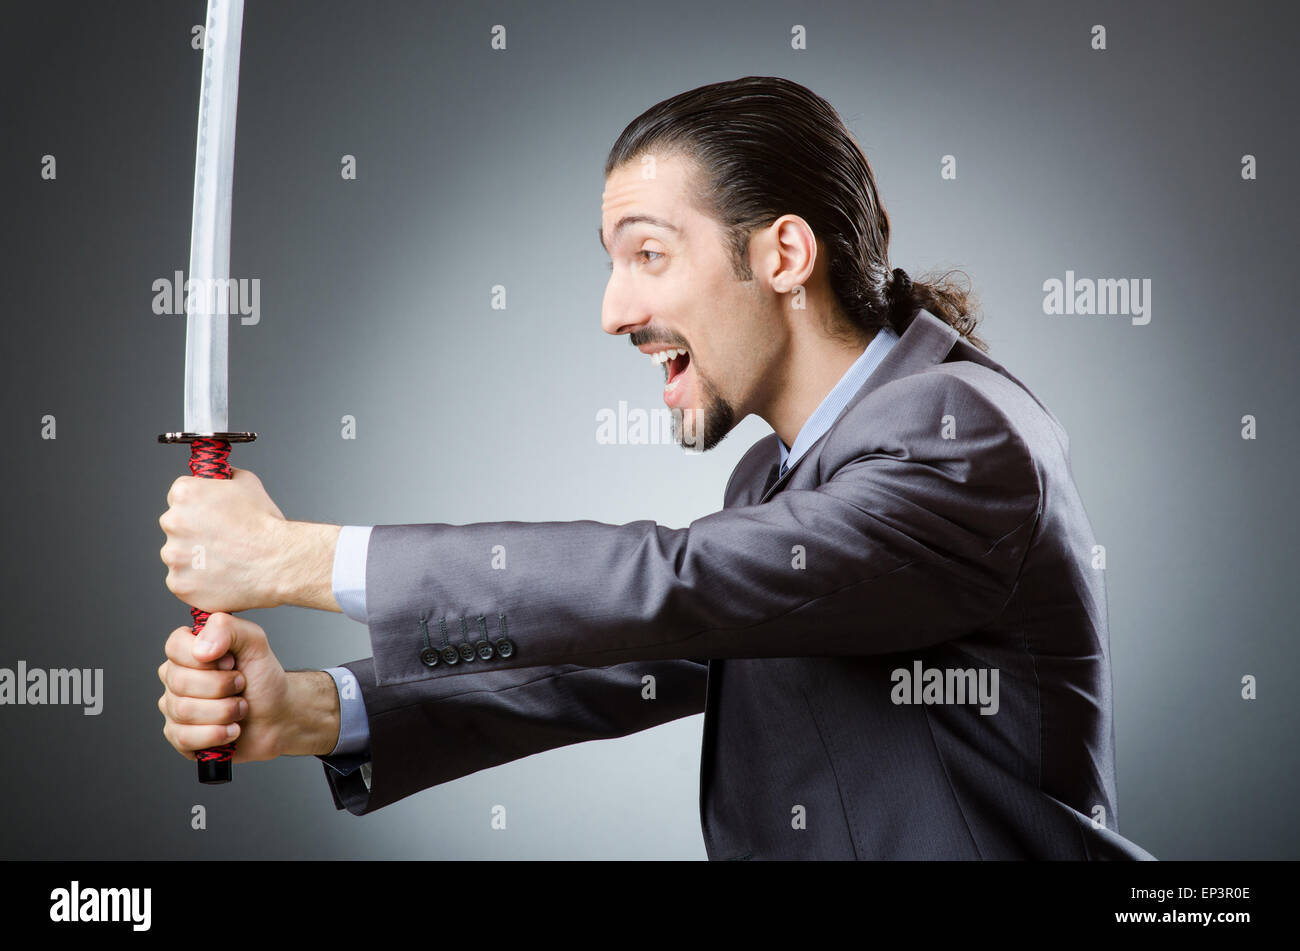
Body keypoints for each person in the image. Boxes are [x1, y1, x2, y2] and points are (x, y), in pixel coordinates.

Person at [156, 75, 1154, 860]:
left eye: (647, 255)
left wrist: (296, 561)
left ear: (784, 255)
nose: (612, 311)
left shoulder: (957, 437)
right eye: (610, 260)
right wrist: (316, 709)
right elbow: (636, 658)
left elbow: (670, 582)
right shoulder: (772, 475)